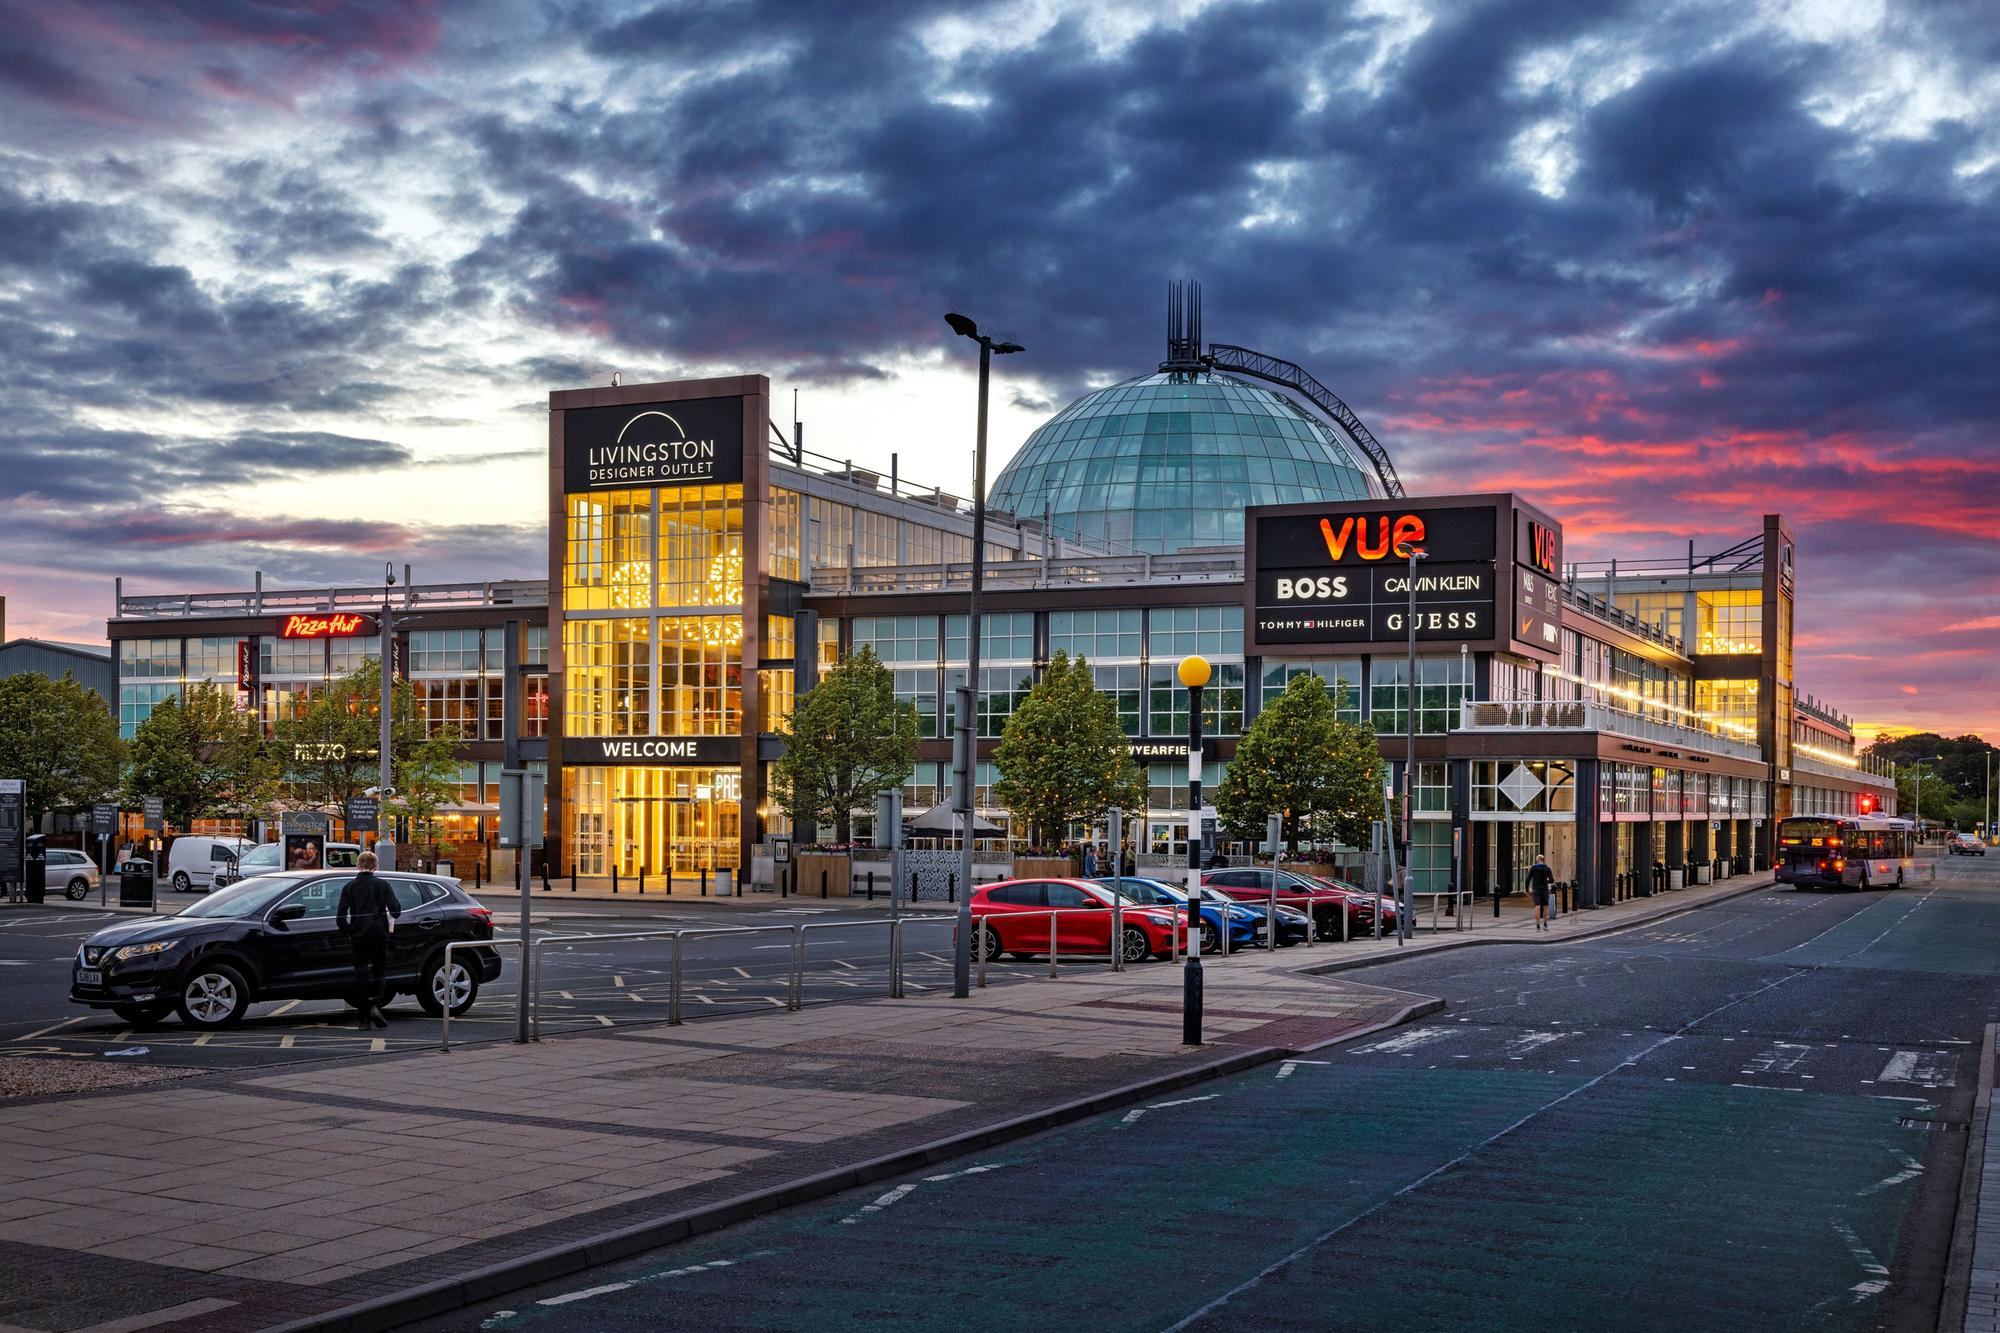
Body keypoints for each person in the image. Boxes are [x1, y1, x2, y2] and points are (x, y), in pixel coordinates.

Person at [336, 852, 401, 1029]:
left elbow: (340, 917)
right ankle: (375, 1004)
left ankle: (363, 1019)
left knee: (361, 974)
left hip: (359, 936)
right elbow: (396, 911)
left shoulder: (349, 887)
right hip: (379, 934)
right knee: (380, 972)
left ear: (358, 865)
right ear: (375, 867)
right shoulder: (383, 885)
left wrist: (350, 930)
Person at [1526, 853, 1555, 931]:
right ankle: (1545, 924)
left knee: (1537, 906)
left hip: (1536, 890)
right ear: (1543, 860)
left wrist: (1527, 890)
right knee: (1545, 906)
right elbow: (1552, 880)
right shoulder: (1547, 868)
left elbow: (1528, 879)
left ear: (1537, 860)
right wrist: (1546, 880)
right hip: (1544, 890)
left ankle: (1538, 925)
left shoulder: (1533, 868)